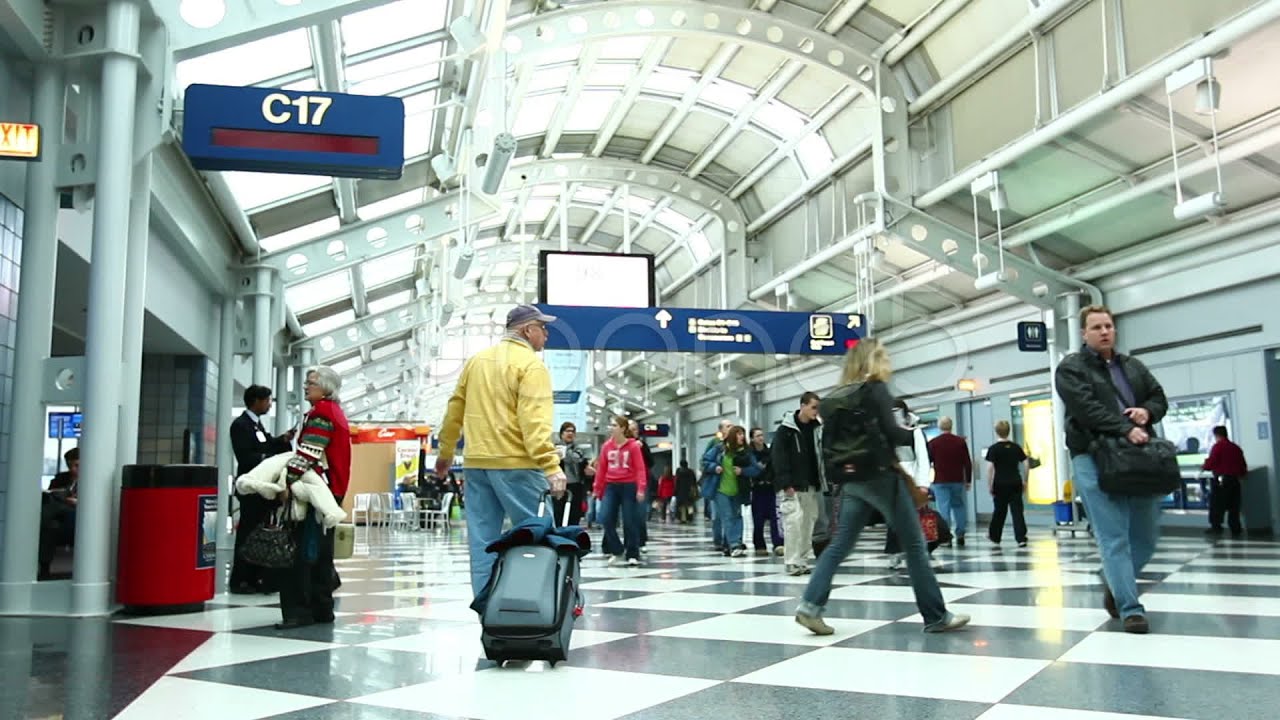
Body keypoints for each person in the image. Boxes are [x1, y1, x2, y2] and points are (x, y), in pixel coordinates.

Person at [795, 338, 969, 636]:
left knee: (840, 544)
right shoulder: (875, 389)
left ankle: (810, 605)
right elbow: (892, 434)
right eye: (884, 356)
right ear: (874, 360)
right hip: (880, 475)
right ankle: (936, 615)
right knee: (914, 545)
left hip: (850, 478)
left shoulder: (834, 398)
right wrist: (909, 431)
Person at [434, 305, 568, 599]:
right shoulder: (531, 366)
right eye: (542, 328)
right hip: (517, 465)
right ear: (527, 330)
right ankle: (536, 606)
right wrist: (550, 465)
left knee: (482, 542)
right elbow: (534, 422)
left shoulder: (476, 362)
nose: (546, 334)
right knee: (537, 536)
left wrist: (445, 453)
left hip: (476, 465)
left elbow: (454, 411)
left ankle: (487, 606)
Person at [1056, 304, 1168, 634]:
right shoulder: (1071, 368)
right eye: (1096, 327)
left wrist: (1147, 412)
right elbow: (1085, 408)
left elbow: (1159, 397)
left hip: (1135, 456)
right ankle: (1130, 608)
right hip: (1093, 456)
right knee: (1113, 535)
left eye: (1108, 326)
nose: (1104, 331)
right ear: (1084, 333)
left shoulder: (1133, 366)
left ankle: (1112, 579)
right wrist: (1124, 427)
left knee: (1145, 537)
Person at [276, 366, 350, 630]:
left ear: (326, 388)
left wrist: (287, 481)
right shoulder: (334, 412)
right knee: (320, 551)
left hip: (316, 491)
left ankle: (299, 611)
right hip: (331, 490)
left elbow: (309, 452)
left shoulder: (321, 414)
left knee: (302, 551)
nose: (306, 386)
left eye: (311, 382)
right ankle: (322, 608)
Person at [229, 384, 295, 594]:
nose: (269, 405)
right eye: (267, 401)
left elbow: (266, 444)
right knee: (248, 532)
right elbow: (246, 455)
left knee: (260, 532)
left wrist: (282, 440)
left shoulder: (257, 425)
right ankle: (240, 579)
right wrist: (269, 459)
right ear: (256, 401)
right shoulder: (241, 425)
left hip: (263, 489)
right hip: (251, 487)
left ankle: (256, 576)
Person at [772, 393, 826, 576]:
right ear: (802, 406)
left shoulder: (817, 429)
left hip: (811, 484)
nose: (816, 411)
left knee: (808, 524)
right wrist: (785, 483)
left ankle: (802, 560)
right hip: (792, 486)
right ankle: (791, 561)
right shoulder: (785, 431)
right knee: (793, 523)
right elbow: (778, 458)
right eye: (813, 407)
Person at [592, 416, 647, 566]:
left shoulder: (633, 446)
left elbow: (640, 468)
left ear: (622, 428)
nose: (611, 428)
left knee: (630, 521)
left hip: (629, 485)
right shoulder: (606, 446)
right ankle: (617, 550)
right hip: (611, 486)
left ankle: (632, 553)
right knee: (605, 517)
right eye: (610, 425)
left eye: (614, 425)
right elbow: (601, 469)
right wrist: (597, 488)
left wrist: (641, 488)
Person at [704, 425, 750, 557]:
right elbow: (705, 461)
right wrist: (714, 467)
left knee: (737, 516)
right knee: (727, 516)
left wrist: (744, 471)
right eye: (739, 434)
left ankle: (735, 542)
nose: (742, 436)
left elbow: (754, 467)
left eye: (743, 434)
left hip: (738, 490)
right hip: (721, 490)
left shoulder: (745, 451)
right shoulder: (719, 449)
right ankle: (734, 544)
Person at [928, 417, 972, 546]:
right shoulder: (960, 442)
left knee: (943, 508)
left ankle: (946, 537)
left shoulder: (933, 443)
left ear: (939, 426)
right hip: (957, 480)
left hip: (940, 480)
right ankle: (960, 533)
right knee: (959, 506)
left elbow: (928, 461)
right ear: (951, 426)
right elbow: (967, 462)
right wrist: (968, 480)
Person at [985, 420, 1029, 547]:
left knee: (999, 511)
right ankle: (1021, 538)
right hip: (1015, 482)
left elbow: (990, 468)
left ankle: (995, 536)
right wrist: (1025, 480)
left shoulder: (993, 449)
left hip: (1000, 483)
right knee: (1017, 511)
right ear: (1008, 431)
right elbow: (1026, 464)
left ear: (996, 432)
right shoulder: (1016, 447)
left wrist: (990, 484)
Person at [1203, 425, 1247, 537]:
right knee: (1234, 506)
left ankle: (1216, 527)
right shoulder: (1235, 448)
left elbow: (1211, 463)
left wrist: (1204, 466)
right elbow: (1242, 465)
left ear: (1216, 435)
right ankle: (1235, 528)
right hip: (1234, 480)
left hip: (1221, 479)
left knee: (1217, 504)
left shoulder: (1218, 447)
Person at [747, 428, 783, 556]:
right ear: (752, 438)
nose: (761, 438)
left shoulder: (769, 452)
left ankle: (778, 543)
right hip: (757, 489)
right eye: (757, 436)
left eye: (761, 435)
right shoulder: (749, 454)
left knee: (775, 517)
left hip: (770, 488)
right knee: (758, 519)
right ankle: (759, 545)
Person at [554, 422, 594, 527]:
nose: (570, 433)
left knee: (574, 513)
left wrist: (564, 451)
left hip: (575, 484)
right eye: (567, 431)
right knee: (558, 513)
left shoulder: (579, 448)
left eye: (572, 431)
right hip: (558, 484)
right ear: (561, 433)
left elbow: (577, 459)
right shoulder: (554, 448)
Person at [674, 459, 698, 524]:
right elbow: (694, 482)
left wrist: (675, 491)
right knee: (690, 505)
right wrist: (695, 490)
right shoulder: (691, 471)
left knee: (680, 506)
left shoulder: (678, 471)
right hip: (689, 491)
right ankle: (690, 518)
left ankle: (680, 518)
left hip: (680, 491)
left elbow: (676, 482)